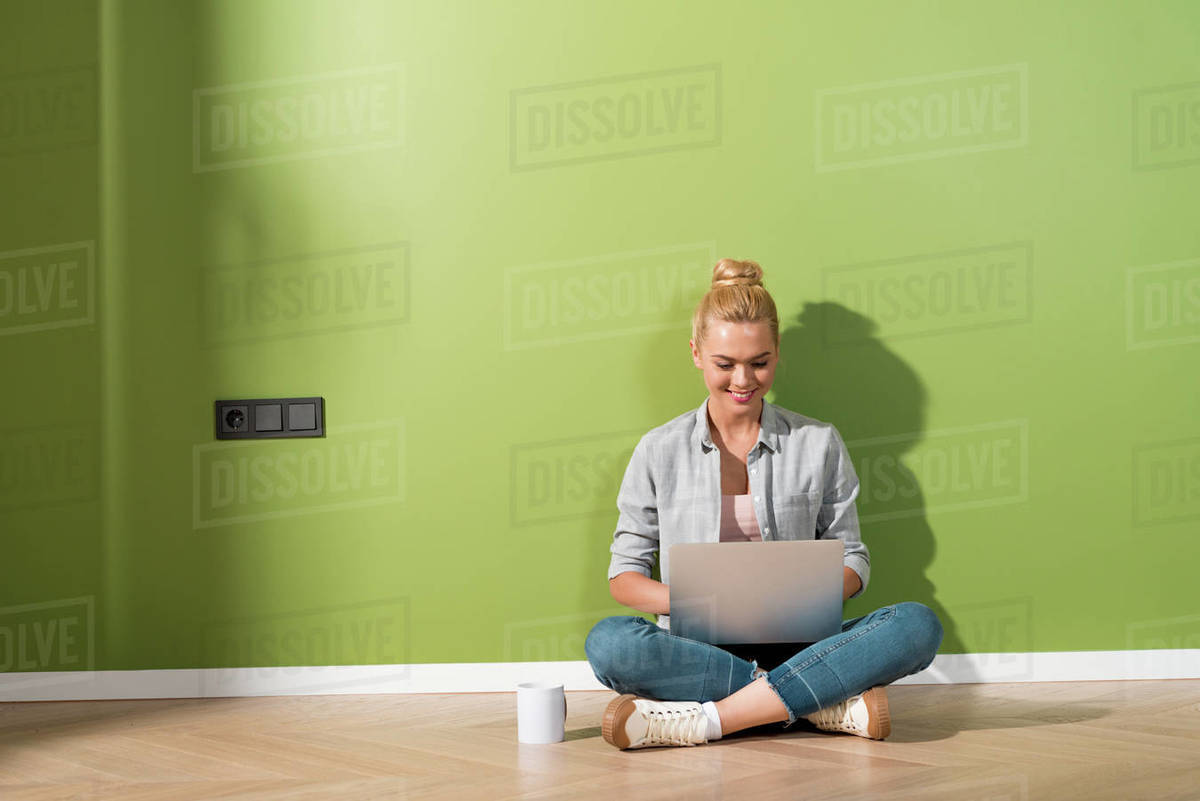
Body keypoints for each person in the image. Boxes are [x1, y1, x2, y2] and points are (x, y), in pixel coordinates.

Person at [585, 258, 944, 750]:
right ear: (696, 354)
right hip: (698, 648)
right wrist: (700, 602)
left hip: (804, 642)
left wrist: (796, 596)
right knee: (609, 644)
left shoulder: (818, 442)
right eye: (724, 364)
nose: (743, 380)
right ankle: (819, 702)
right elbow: (624, 577)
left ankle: (711, 719)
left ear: (777, 354)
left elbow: (855, 560)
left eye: (759, 362)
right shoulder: (658, 449)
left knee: (916, 625)